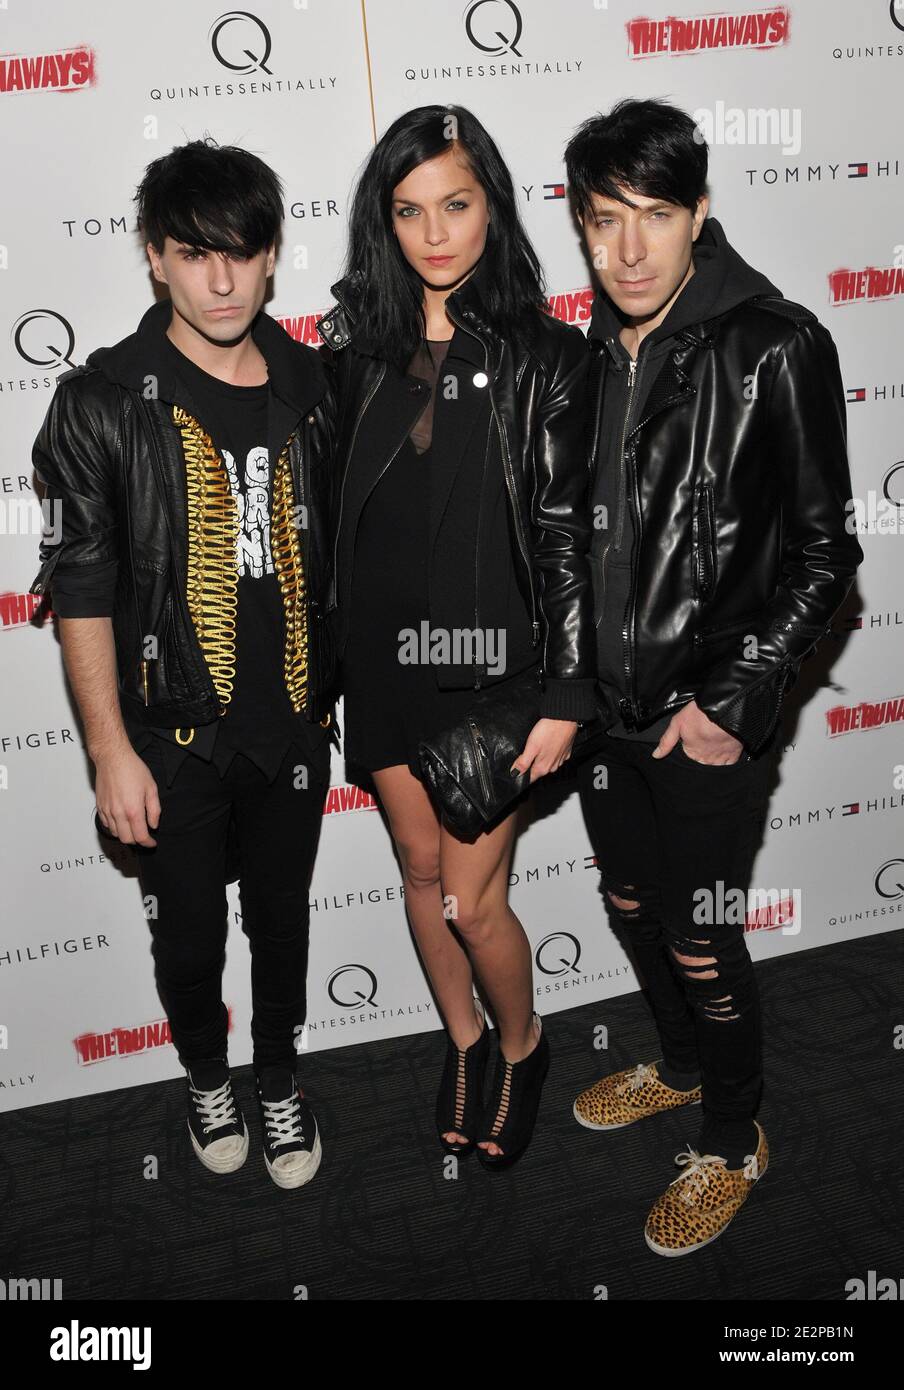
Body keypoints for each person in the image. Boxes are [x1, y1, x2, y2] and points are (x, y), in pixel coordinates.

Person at [564, 99, 863, 1251]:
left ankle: (735, 1137)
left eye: (652, 216)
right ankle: (681, 1063)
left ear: (699, 214)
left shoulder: (777, 342)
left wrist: (736, 703)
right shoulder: (593, 348)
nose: (628, 248)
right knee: (632, 906)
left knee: (698, 933)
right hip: (608, 714)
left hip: (708, 721)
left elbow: (826, 550)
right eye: (603, 221)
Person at [30, 138, 339, 1190]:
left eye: (242, 253)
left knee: (286, 927)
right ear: (155, 257)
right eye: (194, 253)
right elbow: (79, 586)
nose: (221, 280)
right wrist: (110, 751)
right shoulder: (100, 402)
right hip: (169, 739)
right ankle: (208, 1072)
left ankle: (281, 1076)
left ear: (270, 256)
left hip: (293, 726)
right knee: (191, 941)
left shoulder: (315, 385)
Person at [316, 104, 598, 1167]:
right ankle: (466, 1037)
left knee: (475, 905)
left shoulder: (550, 357)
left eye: (456, 204)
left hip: (493, 673)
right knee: (416, 865)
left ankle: (523, 1042)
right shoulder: (356, 352)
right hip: (382, 659)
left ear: (493, 206)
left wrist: (569, 691)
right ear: (382, 222)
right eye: (408, 210)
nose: (435, 232)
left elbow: (572, 535)